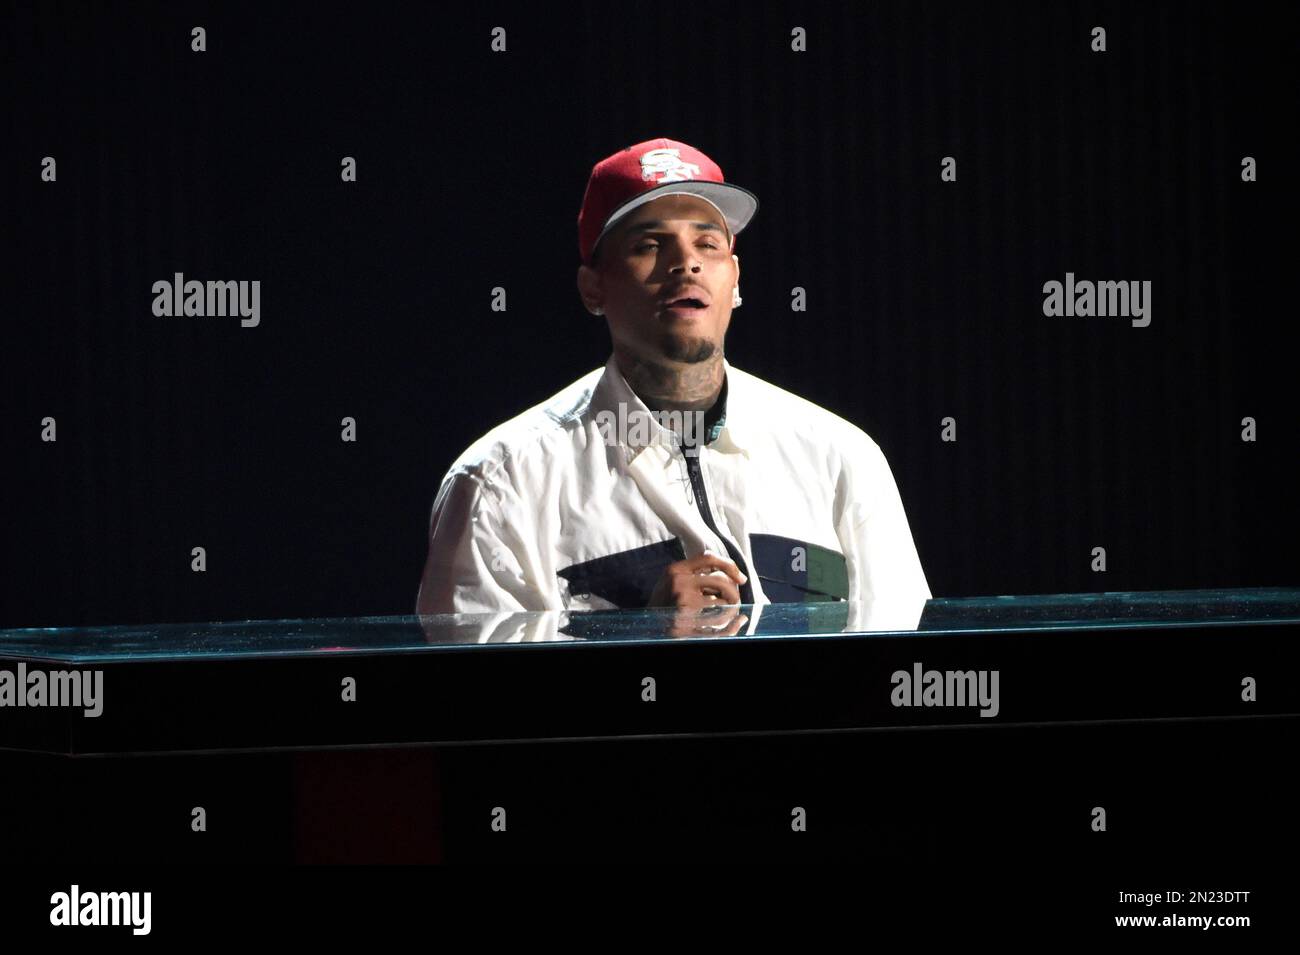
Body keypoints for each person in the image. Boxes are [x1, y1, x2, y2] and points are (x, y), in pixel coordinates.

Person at [416, 137, 931, 635]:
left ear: (734, 278)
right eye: (649, 244)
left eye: (707, 243)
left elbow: (894, 669)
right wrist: (637, 641)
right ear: (593, 288)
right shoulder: (501, 481)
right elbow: (475, 707)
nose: (686, 263)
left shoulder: (839, 455)